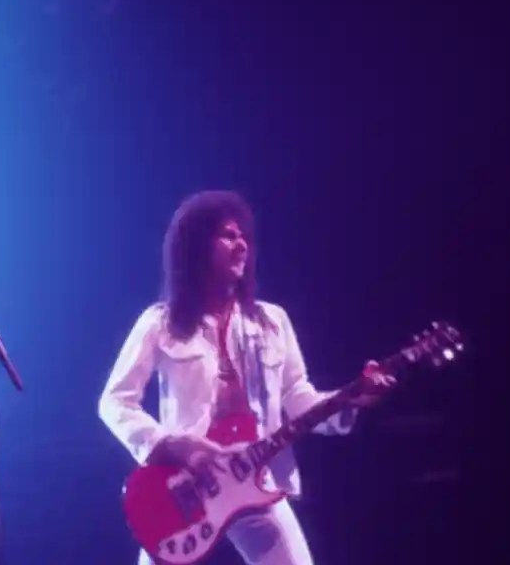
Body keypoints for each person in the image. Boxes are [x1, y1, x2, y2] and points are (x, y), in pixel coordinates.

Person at [98, 191, 396, 565]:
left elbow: (298, 397)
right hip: (183, 488)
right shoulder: (160, 323)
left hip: (257, 481)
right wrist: (171, 445)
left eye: (244, 238)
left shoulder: (272, 322)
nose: (241, 246)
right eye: (228, 236)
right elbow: (114, 401)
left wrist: (350, 398)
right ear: (196, 247)